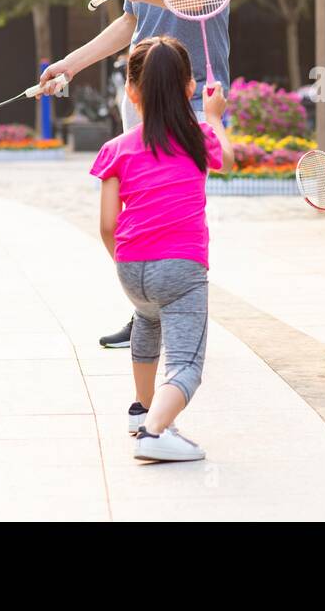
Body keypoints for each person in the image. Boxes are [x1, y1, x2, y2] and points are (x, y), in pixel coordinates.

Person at [35, 0, 231, 349]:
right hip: (140, 96)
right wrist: (69, 65)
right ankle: (146, 311)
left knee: (176, 211)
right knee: (136, 209)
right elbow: (130, 22)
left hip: (190, 95)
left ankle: (179, 314)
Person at [91, 36, 234, 461]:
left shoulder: (115, 149)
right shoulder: (197, 138)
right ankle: (155, 431)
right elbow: (227, 155)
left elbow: (105, 224)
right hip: (182, 268)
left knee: (146, 320)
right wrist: (214, 117)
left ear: (131, 93)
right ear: (189, 88)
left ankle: (140, 409)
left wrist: (124, 262)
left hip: (130, 268)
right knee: (187, 362)